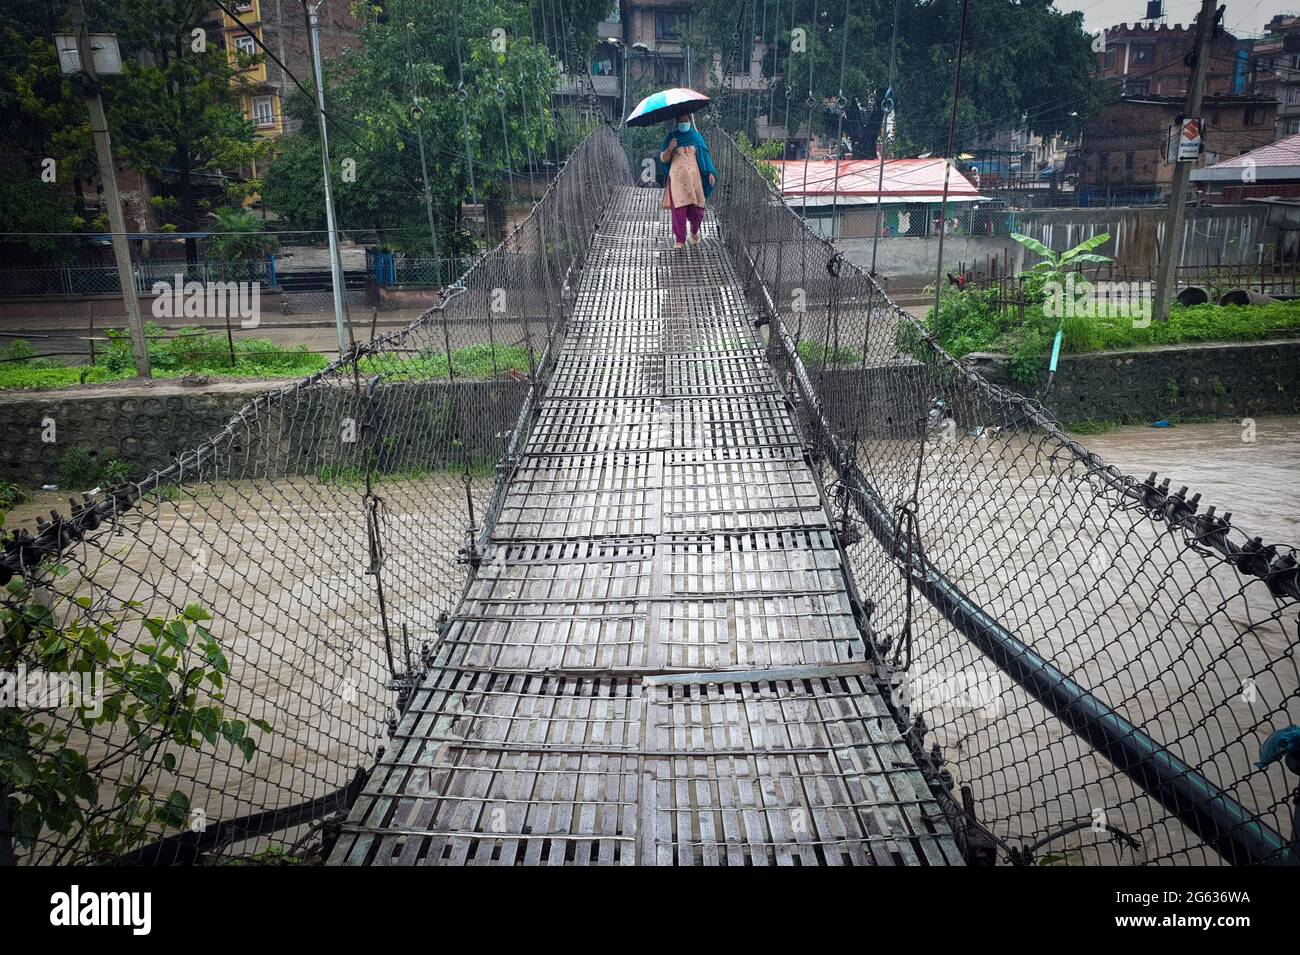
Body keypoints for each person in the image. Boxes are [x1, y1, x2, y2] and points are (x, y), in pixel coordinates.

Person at [658, 116, 717, 249]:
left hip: (694, 180)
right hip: (678, 180)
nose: (683, 123)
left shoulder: (696, 137)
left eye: (686, 121)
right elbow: (663, 159)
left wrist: (710, 172)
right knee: (679, 209)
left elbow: (705, 156)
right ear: (677, 123)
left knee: (698, 210)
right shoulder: (671, 137)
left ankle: (694, 231)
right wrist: (670, 148)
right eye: (680, 121)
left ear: (690, 121)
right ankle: (680, 239)